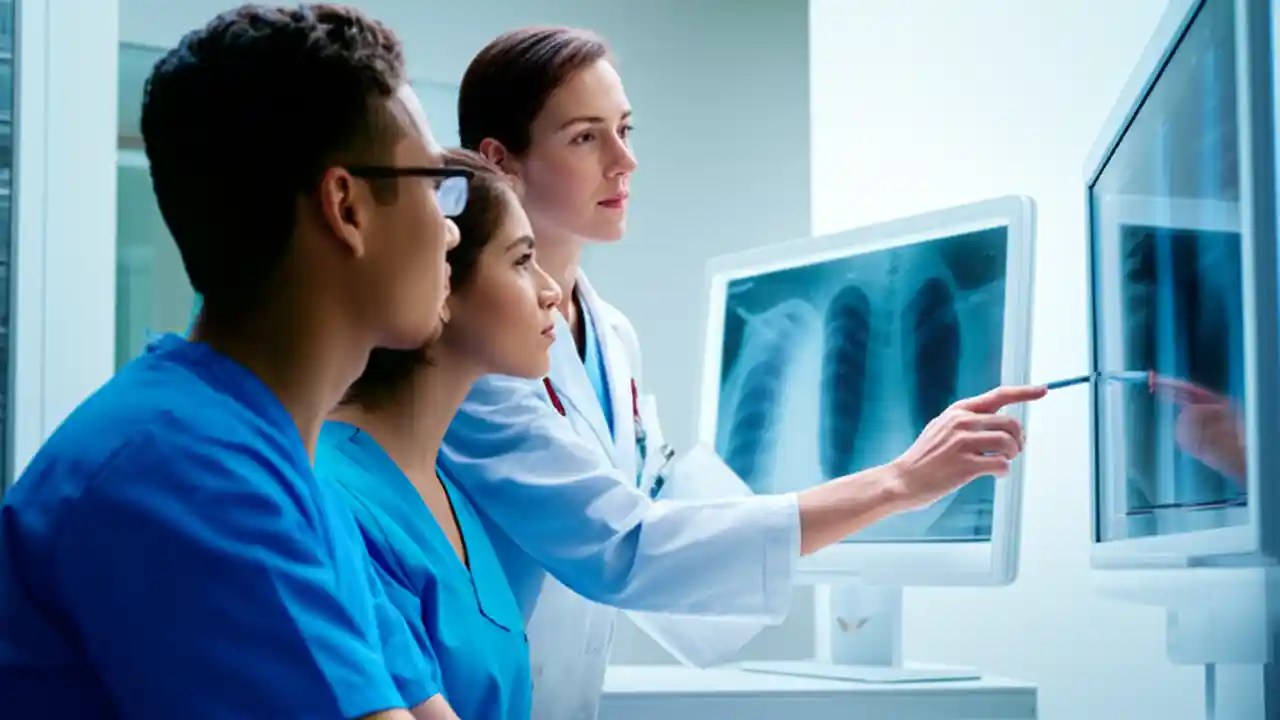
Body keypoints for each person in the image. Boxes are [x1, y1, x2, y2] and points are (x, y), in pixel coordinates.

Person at [441, 25, 1048, 719]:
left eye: (625, 130)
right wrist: (897, 483)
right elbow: (624, 546)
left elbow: (654, 501)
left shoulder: (611, 334)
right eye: (586, 137)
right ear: (500, 161)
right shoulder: (473, 352)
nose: (625, 161)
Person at [0, 5, 470, 718]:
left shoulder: (289, 480)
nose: (451, 229)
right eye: (434, 185)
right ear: (346, 207)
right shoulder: (179, 475)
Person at [316, 149, 561, 720]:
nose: (550, 290)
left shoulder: (445, 486)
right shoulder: (333, 495)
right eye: (523, 261)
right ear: (441, 275)